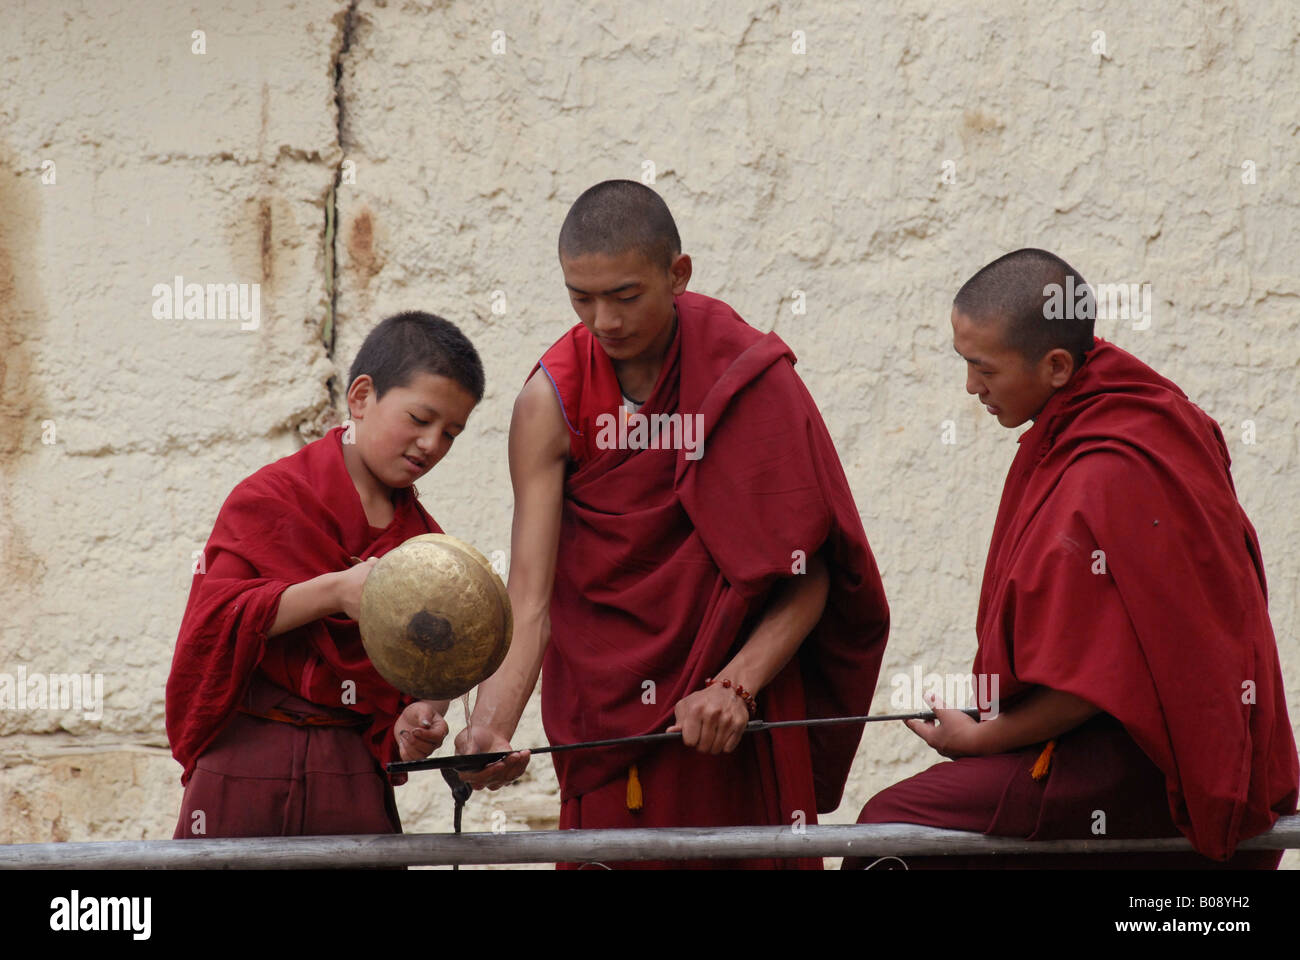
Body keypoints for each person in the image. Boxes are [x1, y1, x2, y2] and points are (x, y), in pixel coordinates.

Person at [457, 180, 890, 869]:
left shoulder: (745, 374)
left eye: (625, 296)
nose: (603, 321)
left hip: (732, 726)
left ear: (677, 274)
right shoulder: (552, 401)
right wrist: (490, 727)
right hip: (607, 727)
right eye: (581, 297)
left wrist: (736, 684)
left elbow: (812, 571)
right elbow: (530, 596)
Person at [844, 249, 1298, 869]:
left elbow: (1104, 682)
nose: (971, 388)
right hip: (1088, 740)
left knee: (889, 832)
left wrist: (980, 739)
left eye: (984, 369)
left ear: (1057, 366)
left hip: (1144, 761)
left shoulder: (1111, 467)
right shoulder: (1114, 419)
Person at [166, 311, 484, 838]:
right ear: (361, 397)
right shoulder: (271, 498)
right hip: (247, 760)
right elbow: (214, 624)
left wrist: (419, 716)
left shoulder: (427, 547)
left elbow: (430, 664)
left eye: (451, 432)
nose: (432, 444)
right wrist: (337, 590)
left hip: (351, 772)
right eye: (420, 419)